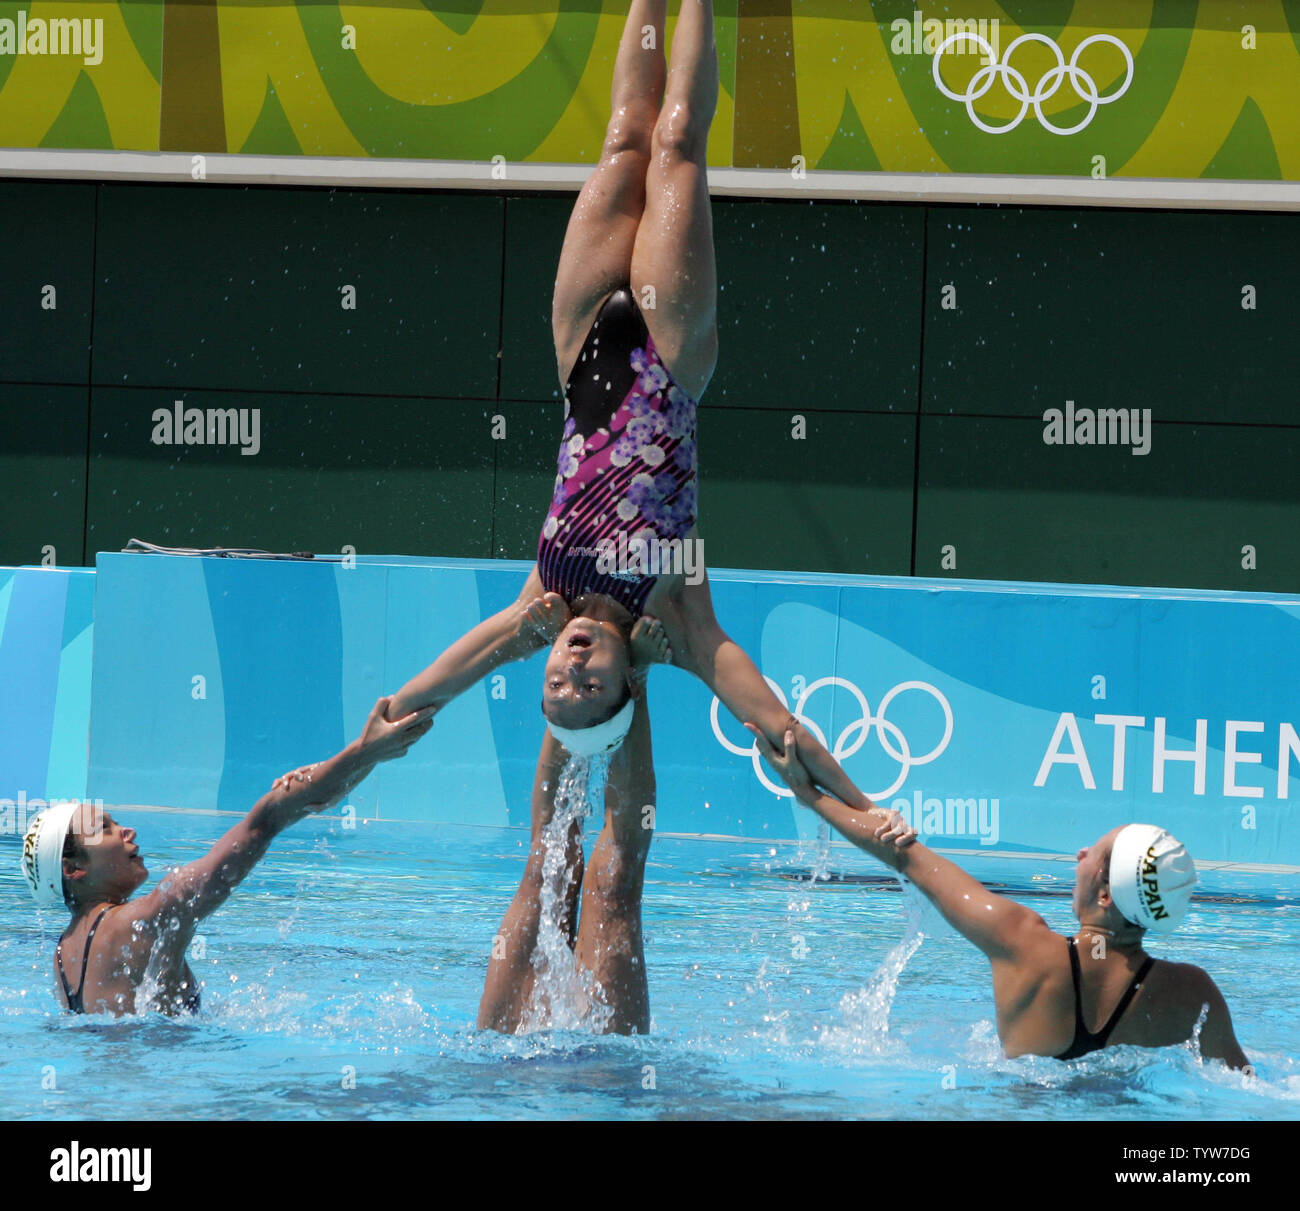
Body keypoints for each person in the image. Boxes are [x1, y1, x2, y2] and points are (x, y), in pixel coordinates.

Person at [383, 0, 912, 1032]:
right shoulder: (678, 614)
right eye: (587, 680)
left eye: (559, 680)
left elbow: (422, 695)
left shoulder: (539, 606)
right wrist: (860, 816)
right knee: (675, 140)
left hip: (578, 345)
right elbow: (781, 730)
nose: (567, 664)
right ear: (627, 678)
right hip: (667, 354)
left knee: (621, 136)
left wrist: (361, 750)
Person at [747, 725, 1252, 1070]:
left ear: (1104, 893)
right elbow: (1245, 1088)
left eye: (1091, 852)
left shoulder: (1023, 944)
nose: (1078, 852)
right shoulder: (1192, 995)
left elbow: (906, 858)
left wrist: (805, 792)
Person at [19, 698, 434, 1016]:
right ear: (74, 869)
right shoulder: (153, 913)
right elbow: (262, 823)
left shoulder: (61, 961)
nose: (129, 831)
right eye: (107, 828)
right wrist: (366, 750)